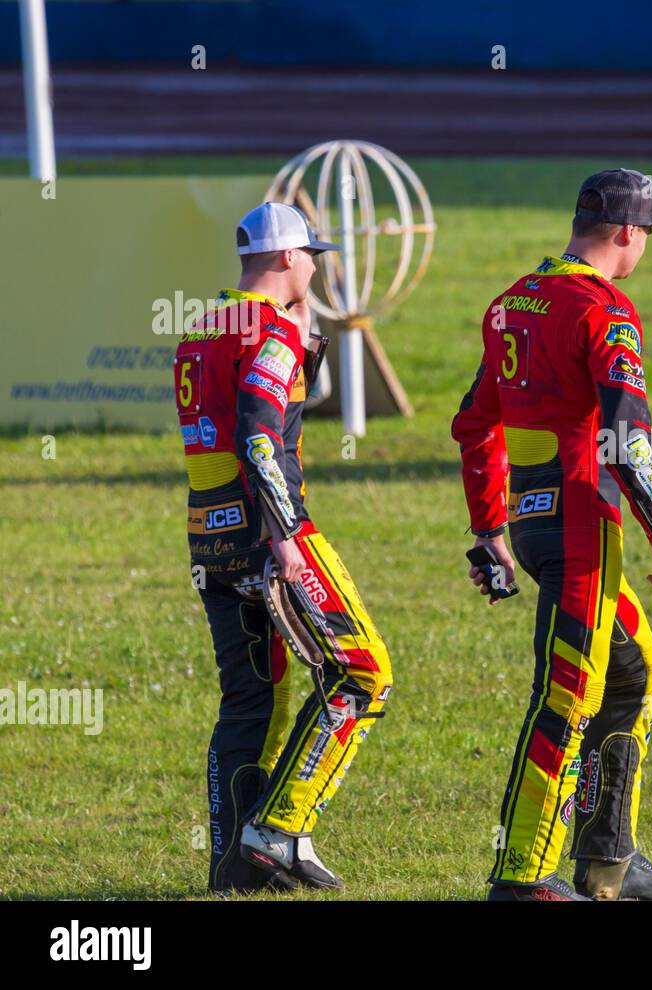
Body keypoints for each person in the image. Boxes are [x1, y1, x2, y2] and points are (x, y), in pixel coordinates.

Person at [452, 169, 652, 901]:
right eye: (647, 235)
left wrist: (490, 528)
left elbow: (474, 424)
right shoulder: (606, 311)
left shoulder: (511, 302)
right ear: (628, 233)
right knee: (568, 695)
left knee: (636, 671)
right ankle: (525, 875)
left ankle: (608, 860)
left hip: (532, 522)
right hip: (584, 527)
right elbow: (627, 437)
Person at [174, 203, 393, 894]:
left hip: (209, 536)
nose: (316, 270)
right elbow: (260, 440)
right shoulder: (269, 331)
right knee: (364, 671)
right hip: (272, 534)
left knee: (250, 702)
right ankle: (281, 829)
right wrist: (284, 534)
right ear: (288, 258)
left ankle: (235, 870)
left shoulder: (202, 327)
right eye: (312, 257)